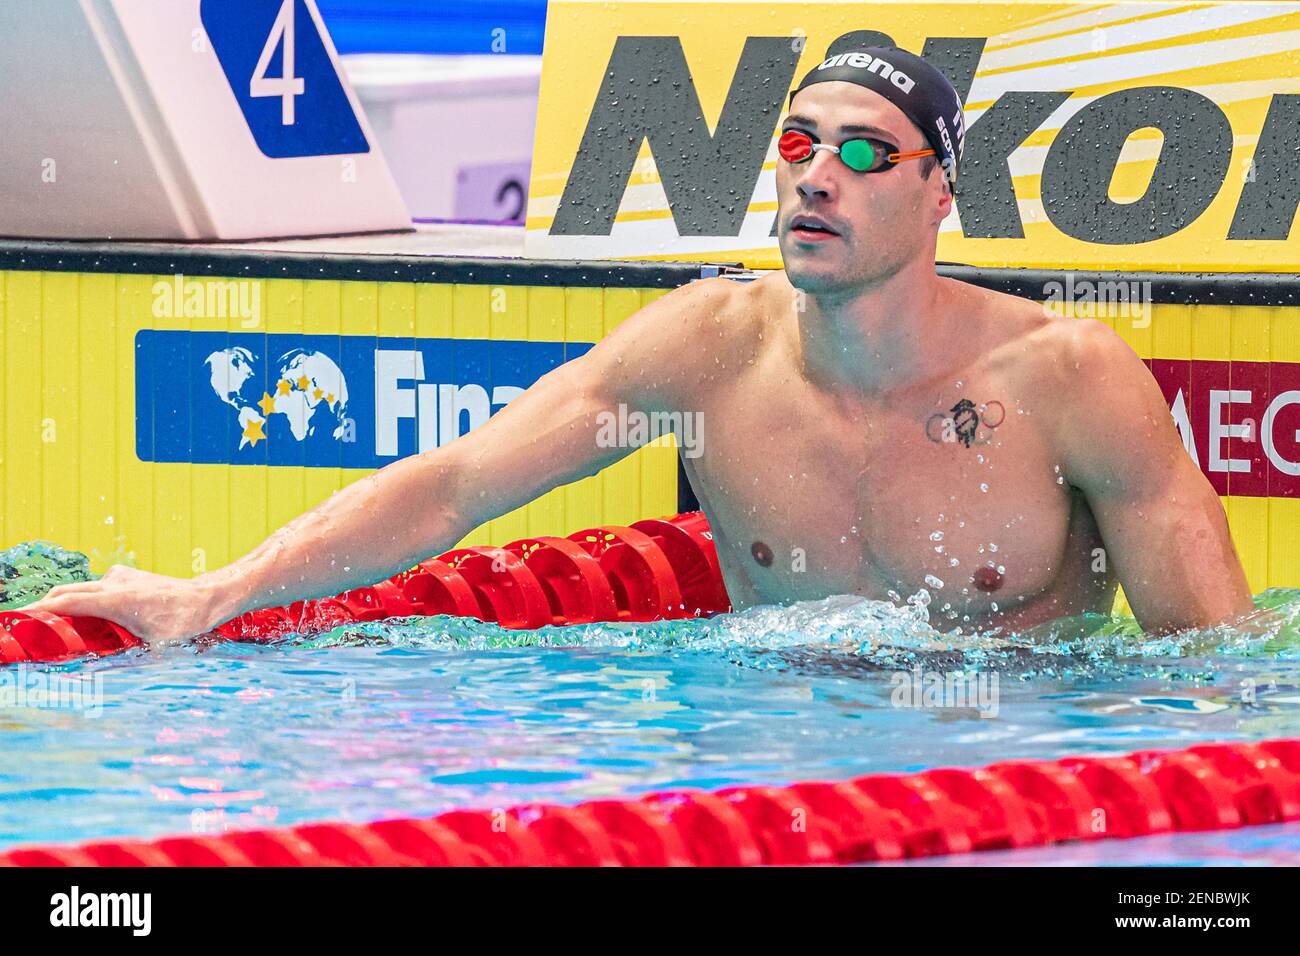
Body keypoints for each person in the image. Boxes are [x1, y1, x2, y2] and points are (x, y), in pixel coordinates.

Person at [28, 46, 1253, 641]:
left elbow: (1211, 671)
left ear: (940, 193)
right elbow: (456, 482)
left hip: (1011, 787)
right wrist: (213, 594)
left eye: (863, 152)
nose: (816, 176)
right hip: (761, 770)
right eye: (798, 144)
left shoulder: (1070, 378)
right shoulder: (708, 346)